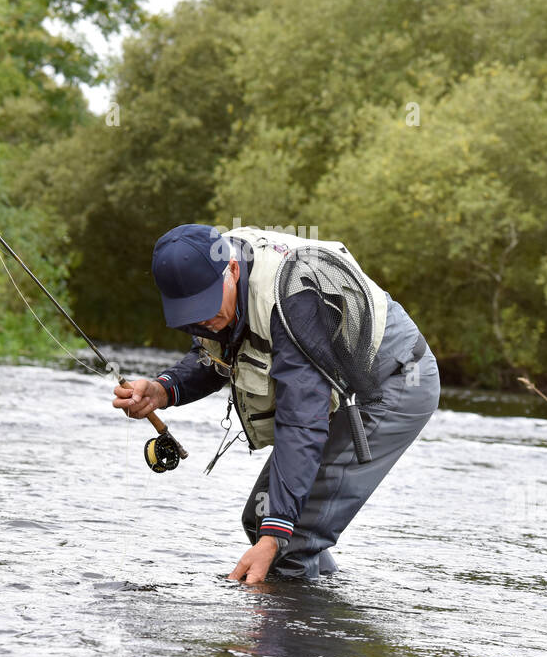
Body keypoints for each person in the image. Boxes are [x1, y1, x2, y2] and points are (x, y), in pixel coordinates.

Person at [112, 224, 439, 583]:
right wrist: (163, 389)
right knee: (260, 517)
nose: (202, 321)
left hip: (397, 380)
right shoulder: (216, 275)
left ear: (232, 271)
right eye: (189, 314)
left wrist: (275, 536)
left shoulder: (292, 297)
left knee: (286, 536)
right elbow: (216, 357)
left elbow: (301, 420)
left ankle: (291, 636)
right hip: (346, 383)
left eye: (205, 305)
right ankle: (321, 605)